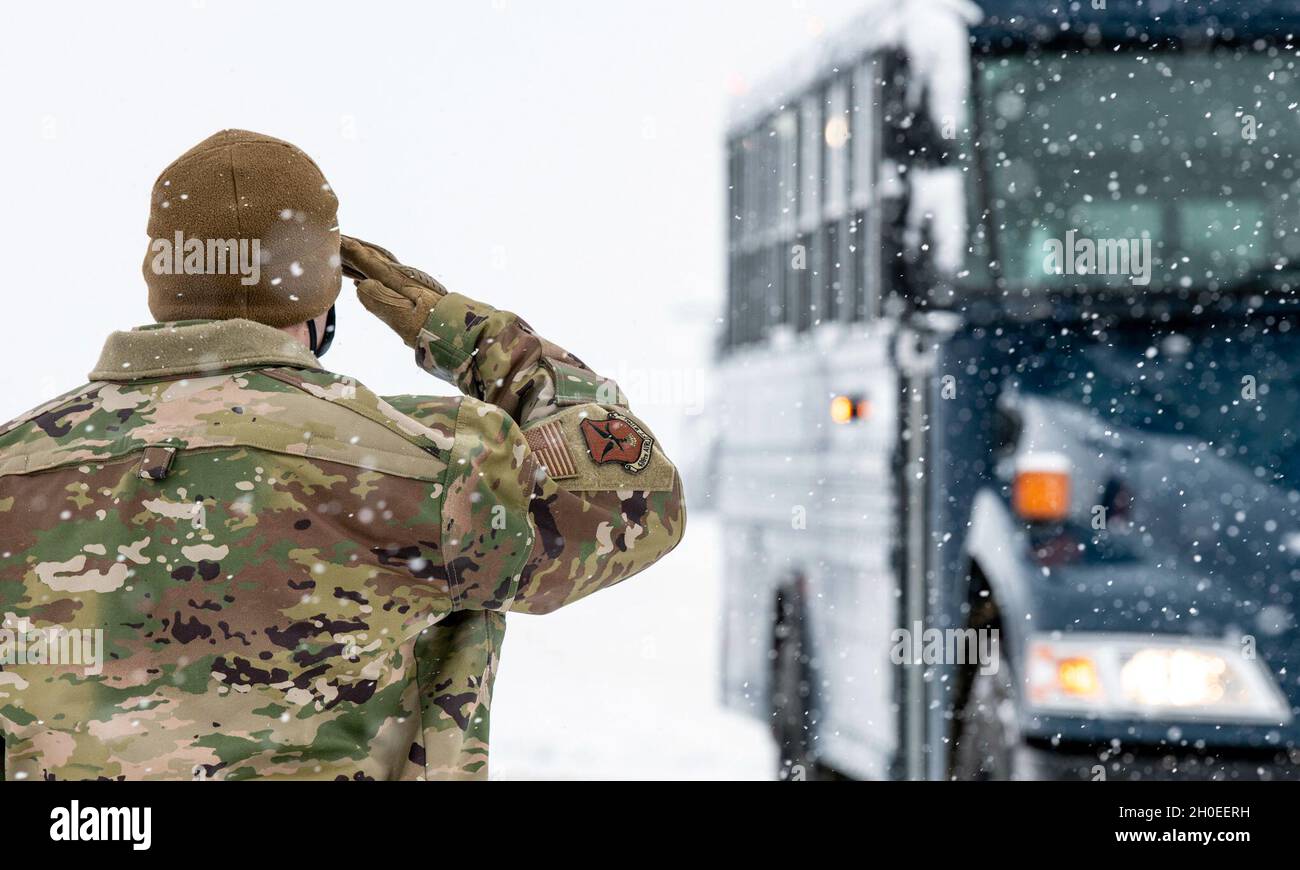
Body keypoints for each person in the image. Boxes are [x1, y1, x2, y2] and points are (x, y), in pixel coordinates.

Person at [0, 129, 685, 780]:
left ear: (163, 281)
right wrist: (466, 334)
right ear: (322, 301)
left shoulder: (13, 467)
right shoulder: (432, 464)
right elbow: (641, 492)